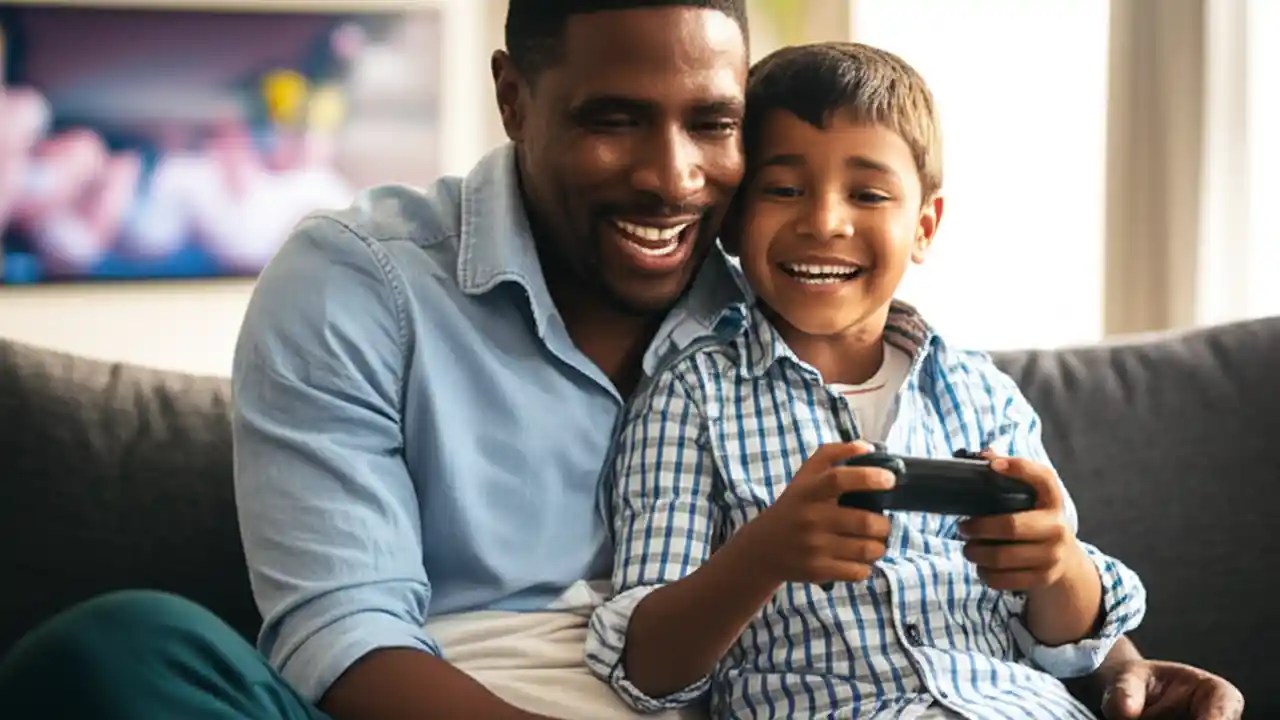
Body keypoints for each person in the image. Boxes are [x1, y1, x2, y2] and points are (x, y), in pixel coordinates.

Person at [0, 3, 1245, 720]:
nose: (669, 177)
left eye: (711, 126)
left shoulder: (775, 283)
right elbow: (342, 638)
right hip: (461, 702)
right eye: (611, 119)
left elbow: (951, 575)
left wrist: (1113, 663)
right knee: (118, 652)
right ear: (513, 97)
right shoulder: (361, 280)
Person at [586, 41, 1152, 720]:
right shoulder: (690, 399)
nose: (824, 221)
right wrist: (763, 555)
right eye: (784, 189)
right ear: (733, 220)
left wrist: (1058, 563)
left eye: (868, 194)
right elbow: (648, 668)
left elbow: (1068, 645)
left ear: (924, 225)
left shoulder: (981, 395)